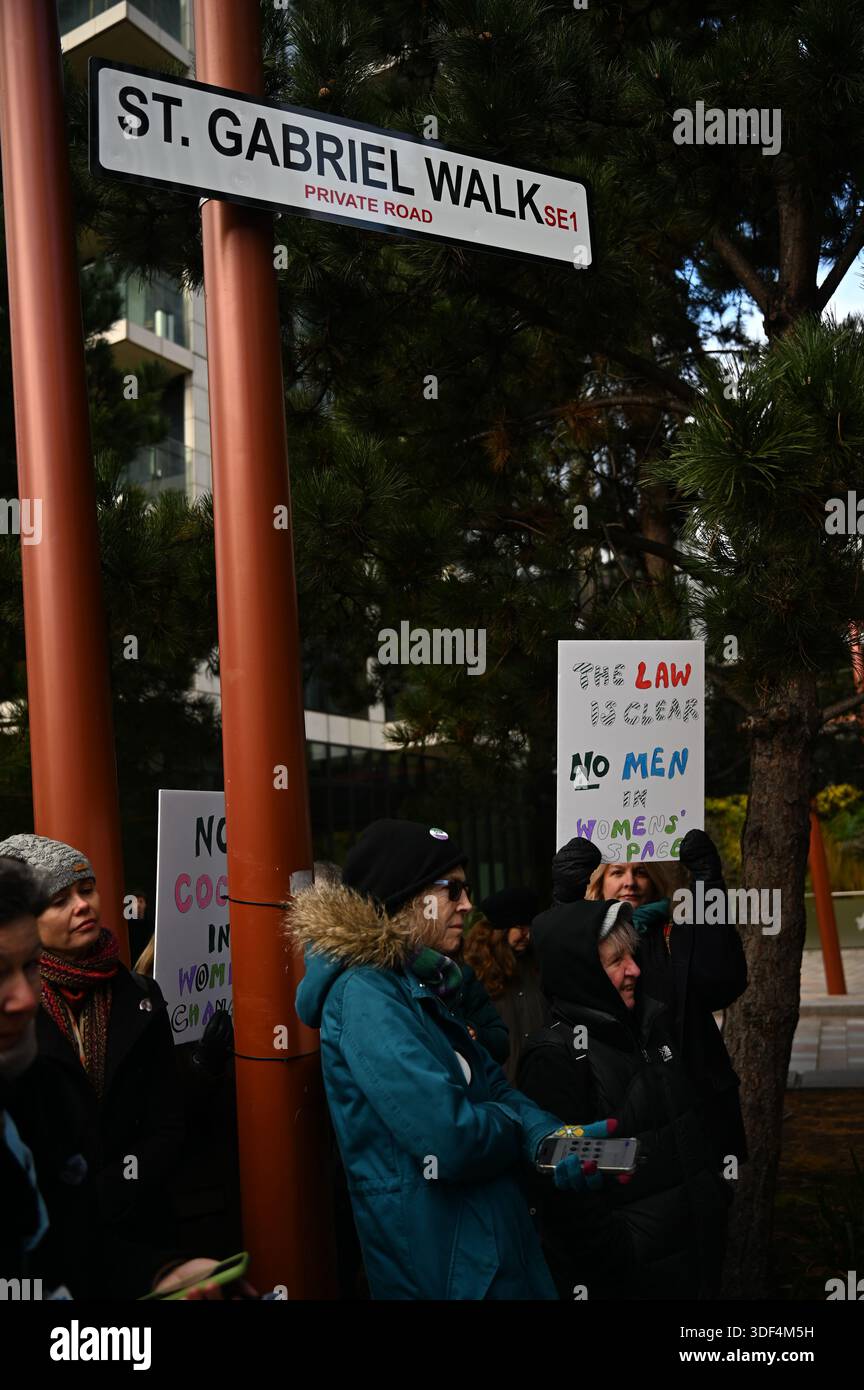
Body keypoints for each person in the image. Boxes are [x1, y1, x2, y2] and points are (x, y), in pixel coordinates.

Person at [286, 818, 608, 1301]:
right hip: (449, 1272)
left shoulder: (420, 982)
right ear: (408, 897)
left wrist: (552, 1140)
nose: (468, 904)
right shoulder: (366, 995)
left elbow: (491, 1087)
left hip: (488, 1253)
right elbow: (450, 1139)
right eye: (453, 889)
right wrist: (522, 1132)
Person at [0, 854, 239, 1300]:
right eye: (59, 900)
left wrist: (160, 1271)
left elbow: (165, 1119)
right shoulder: (24, 1058)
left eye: (86, 890)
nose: (82, 906)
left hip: (140, 1219)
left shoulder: (139, 996)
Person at [517, 897, 732, 1299]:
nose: (634, 969)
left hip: (693, 1263)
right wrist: (621, 1261)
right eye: (615, 961)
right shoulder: (557, 1060)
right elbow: (567, 1200)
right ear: (580, 972)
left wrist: (713, 1197)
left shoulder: (651, 1026)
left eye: (632, 956)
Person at [552, 830, 748, 1170]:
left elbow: (722, 983)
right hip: (610, 1115)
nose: (630, 882)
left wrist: (709, 886)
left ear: (654, 882)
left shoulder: (676, 935)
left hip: (689, 1112)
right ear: (597, 886)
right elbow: (558, 974)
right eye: (617, 872)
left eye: (640, 871)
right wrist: (564, 902)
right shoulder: (581, 943)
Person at [463, 886, 546, 1082]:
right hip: (500, 1082)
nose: (527, 934)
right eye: (520, 927)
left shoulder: (536, 964)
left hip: (539, 1077)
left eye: (529, 926)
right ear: (501, 930)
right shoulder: (477, 971)